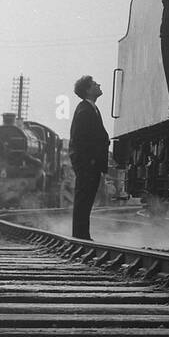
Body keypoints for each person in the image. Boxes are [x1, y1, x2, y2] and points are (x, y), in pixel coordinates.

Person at [69, 75, 110, 240]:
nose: (98, 84)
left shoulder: (91, 108)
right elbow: (80, 139)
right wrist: (89, 161)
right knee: (84, 199)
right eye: (94, 84)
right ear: (87, 90)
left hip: (90, 163)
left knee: (86, 199)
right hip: (87, 164)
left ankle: (82, 234)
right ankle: (80, 235)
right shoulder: (85, 110)